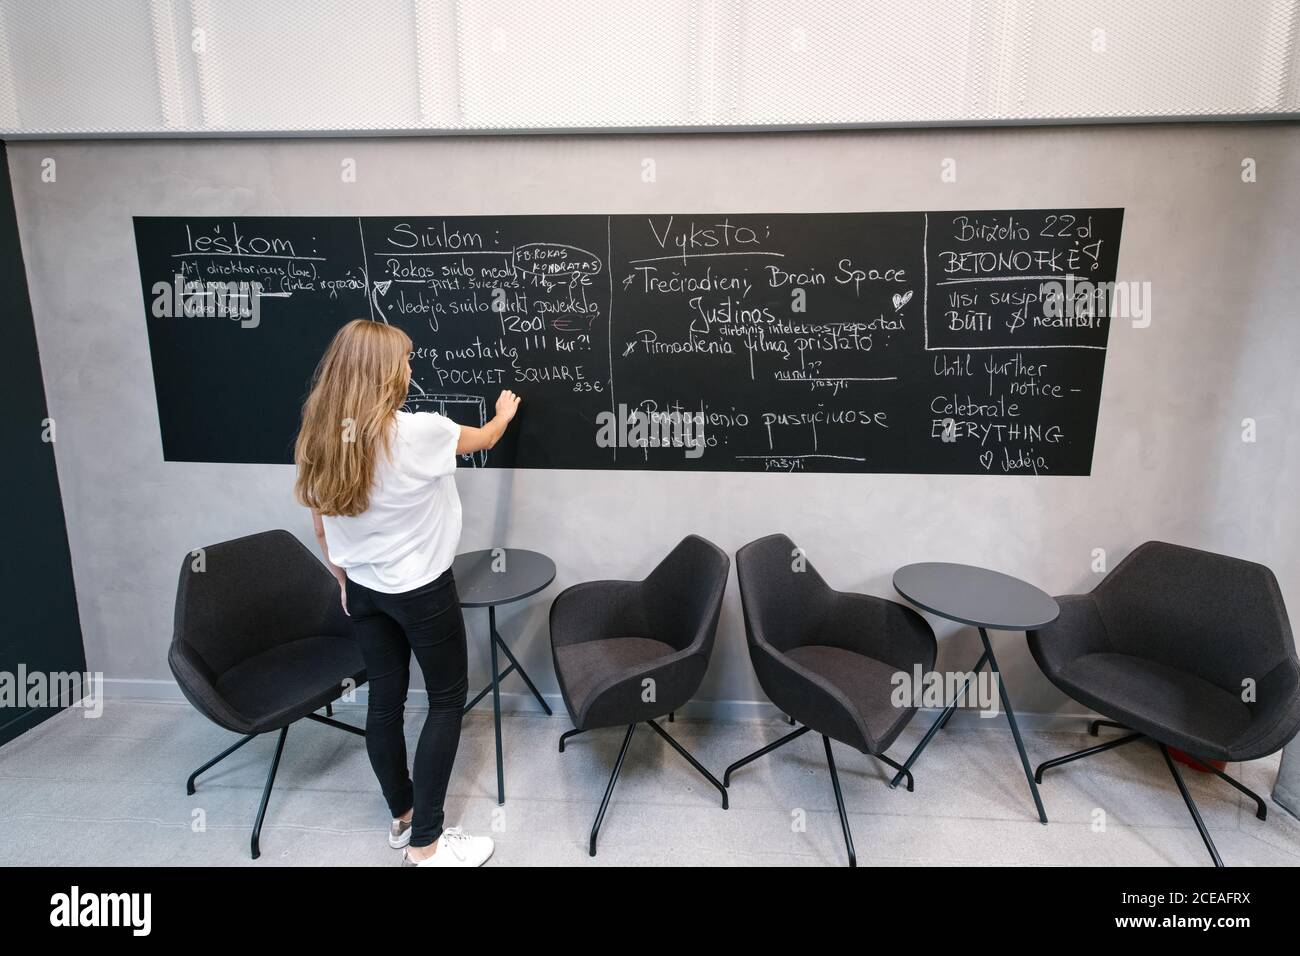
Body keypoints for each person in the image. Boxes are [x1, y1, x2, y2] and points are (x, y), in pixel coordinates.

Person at [293, 318, 520, 867]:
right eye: (406, 361)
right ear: (383, 373)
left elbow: (322, 524)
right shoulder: (419, 431)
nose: (411, 368)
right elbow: (485, 438)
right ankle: (428, 845)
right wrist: (505, 413)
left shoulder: (320, 434)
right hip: (421, 591)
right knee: (445, 702)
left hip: (365, 591)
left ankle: (403, 817)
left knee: (384, 704)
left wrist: (343, 579)